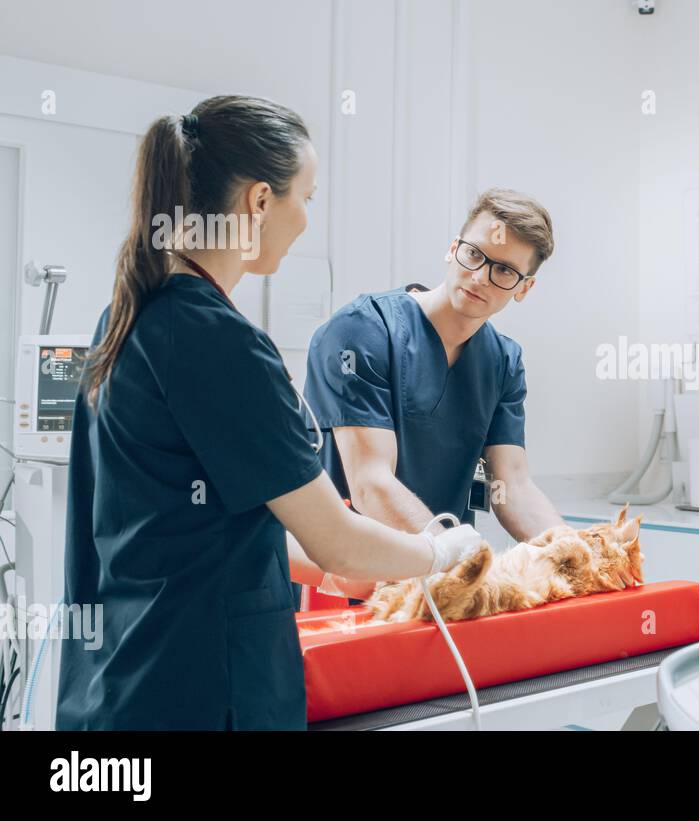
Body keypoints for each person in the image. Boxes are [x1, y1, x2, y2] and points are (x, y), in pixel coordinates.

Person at [57, 96, 477, 730]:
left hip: (125, 679)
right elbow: (335, 535)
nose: (307, 218)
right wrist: (443, 552)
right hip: (202, 687)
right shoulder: (219, 340)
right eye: (305, 197)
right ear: (259, 201)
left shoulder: (126, 317)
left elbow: (196, 522)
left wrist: (340, 573)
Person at [300, 190, 618, 593]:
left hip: (442, 584)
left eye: (504, 271)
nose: (480, 276)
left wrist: (572, 554)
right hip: (350, 580)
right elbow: (370, 483)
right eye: (474, 255)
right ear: (454, 250)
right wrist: (454, 557)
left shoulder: (502, 361)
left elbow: (513, 487)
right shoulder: (362, 331)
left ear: (524, 287)